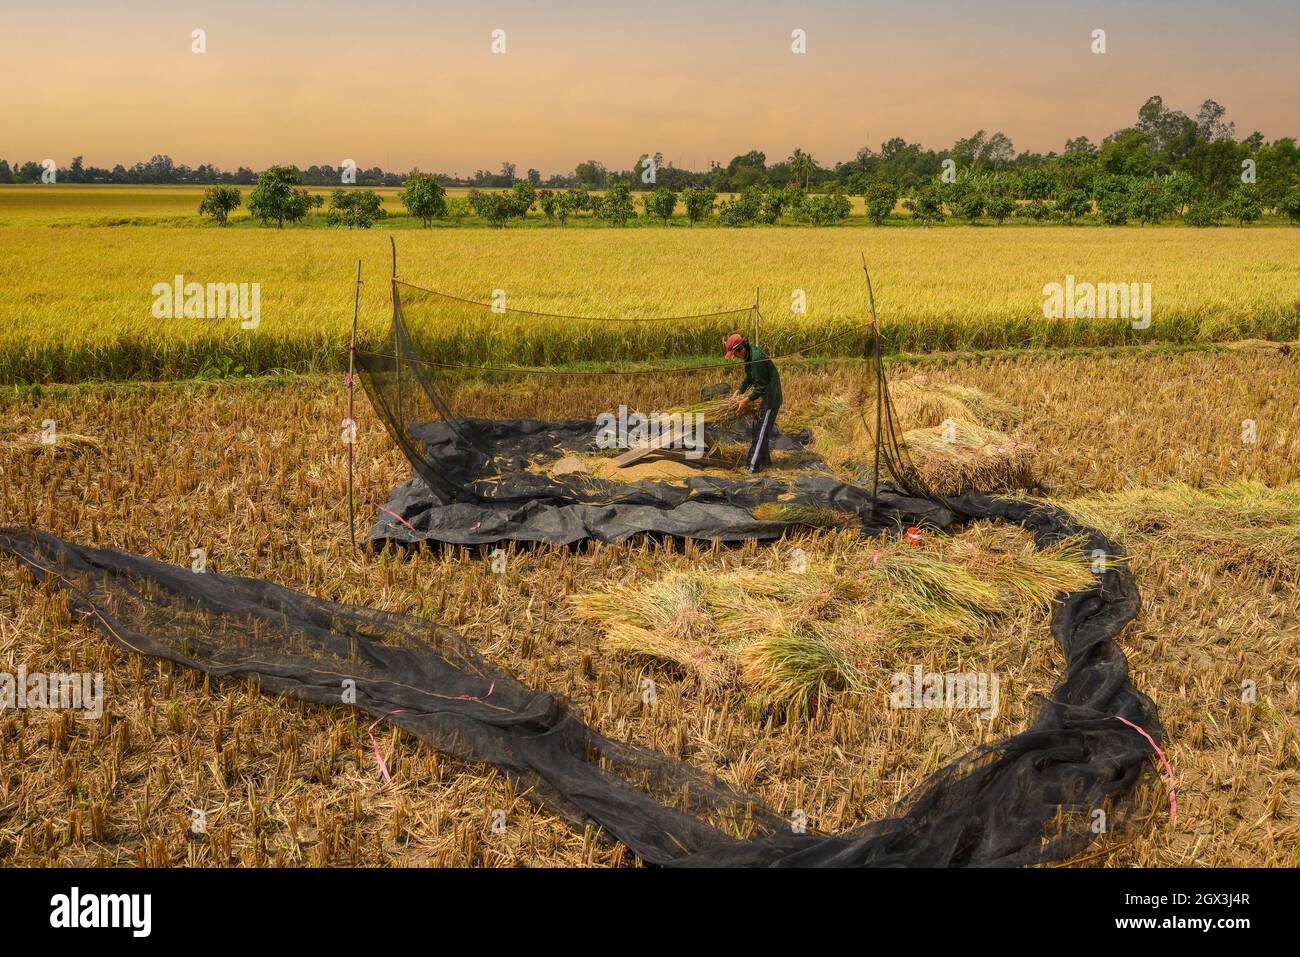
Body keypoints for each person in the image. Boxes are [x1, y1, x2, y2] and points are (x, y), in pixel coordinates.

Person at [724, 332, 783, 473]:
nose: (736, 357)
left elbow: (762, 387)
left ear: (741, 349)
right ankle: (765, 462)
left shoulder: (756, 359)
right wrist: (739, 391)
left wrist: (746, 400)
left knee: (761, 433)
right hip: (764, 399)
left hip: (770, 399)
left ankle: (752, 467)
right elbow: (749, 378)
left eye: (735, 353)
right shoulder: (749, 357)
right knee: (758, 430)